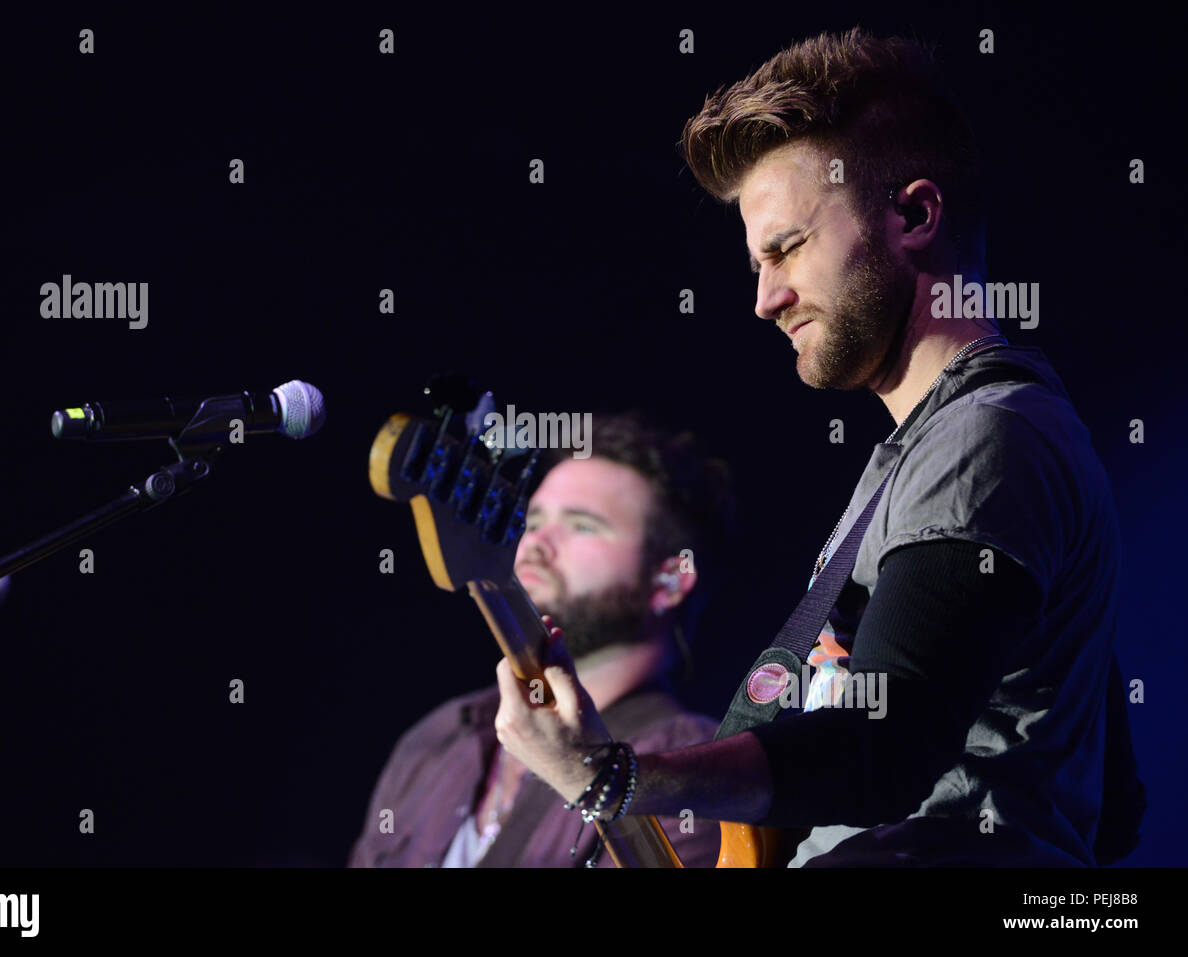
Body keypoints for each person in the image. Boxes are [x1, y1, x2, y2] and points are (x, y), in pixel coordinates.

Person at [494, 28, 1144, 867]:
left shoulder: (987, 437)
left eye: (788, 248)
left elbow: (884, 751)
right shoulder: (950, 450)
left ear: (913, 214)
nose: (766, 299)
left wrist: (614, 779)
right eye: (757, 263)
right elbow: (1114, 798)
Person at [348, 416, 732, 867]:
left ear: (669, 578)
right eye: (532, 519)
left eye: (583, 525)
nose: (534, 543)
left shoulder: (696, 771)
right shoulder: (443, 734)